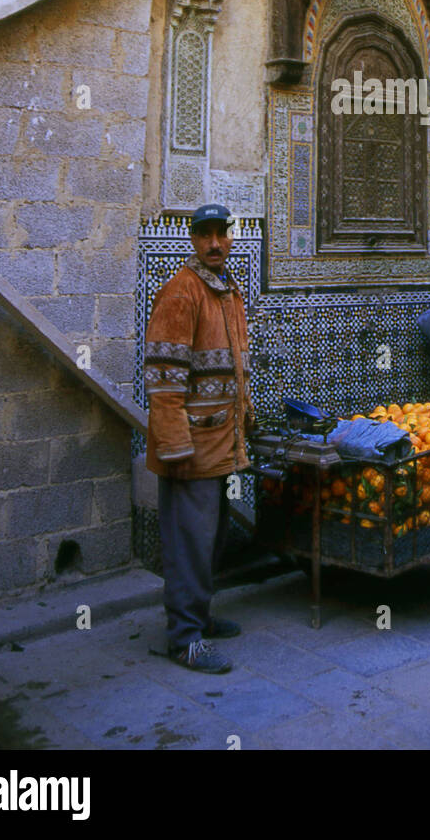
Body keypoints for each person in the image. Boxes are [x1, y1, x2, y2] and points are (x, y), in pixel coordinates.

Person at [143, 203, 254, 674]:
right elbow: (163, 379)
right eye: (204, 235)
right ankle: (184, 638)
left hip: (222, 443)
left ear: (231, 238)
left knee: (210, 539)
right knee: (189, 542)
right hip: (190, 447)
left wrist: (245, 421)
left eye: (220, 234)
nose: (213, 243)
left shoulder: (228, 291)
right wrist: (174, 447)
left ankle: (201, 617)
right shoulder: (181, 292)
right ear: (193, 239)